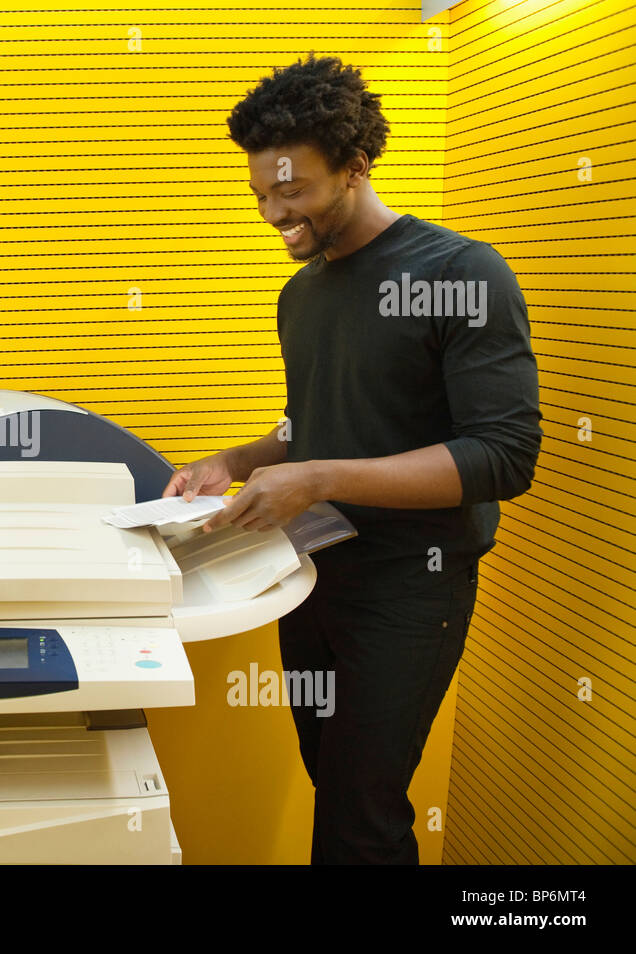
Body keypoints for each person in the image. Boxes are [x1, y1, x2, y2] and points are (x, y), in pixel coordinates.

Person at [163, 54, 541, 864]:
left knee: (360, 821)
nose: (272, 212)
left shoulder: (460, 273)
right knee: (332, 789)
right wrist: (233, 458)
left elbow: (504, 456)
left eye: (290, 190)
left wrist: (320, 479)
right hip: (305, 576)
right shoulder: (302, 294)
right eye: (260, 194)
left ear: (355, 167)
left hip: (410, 587)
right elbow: (315, 427)